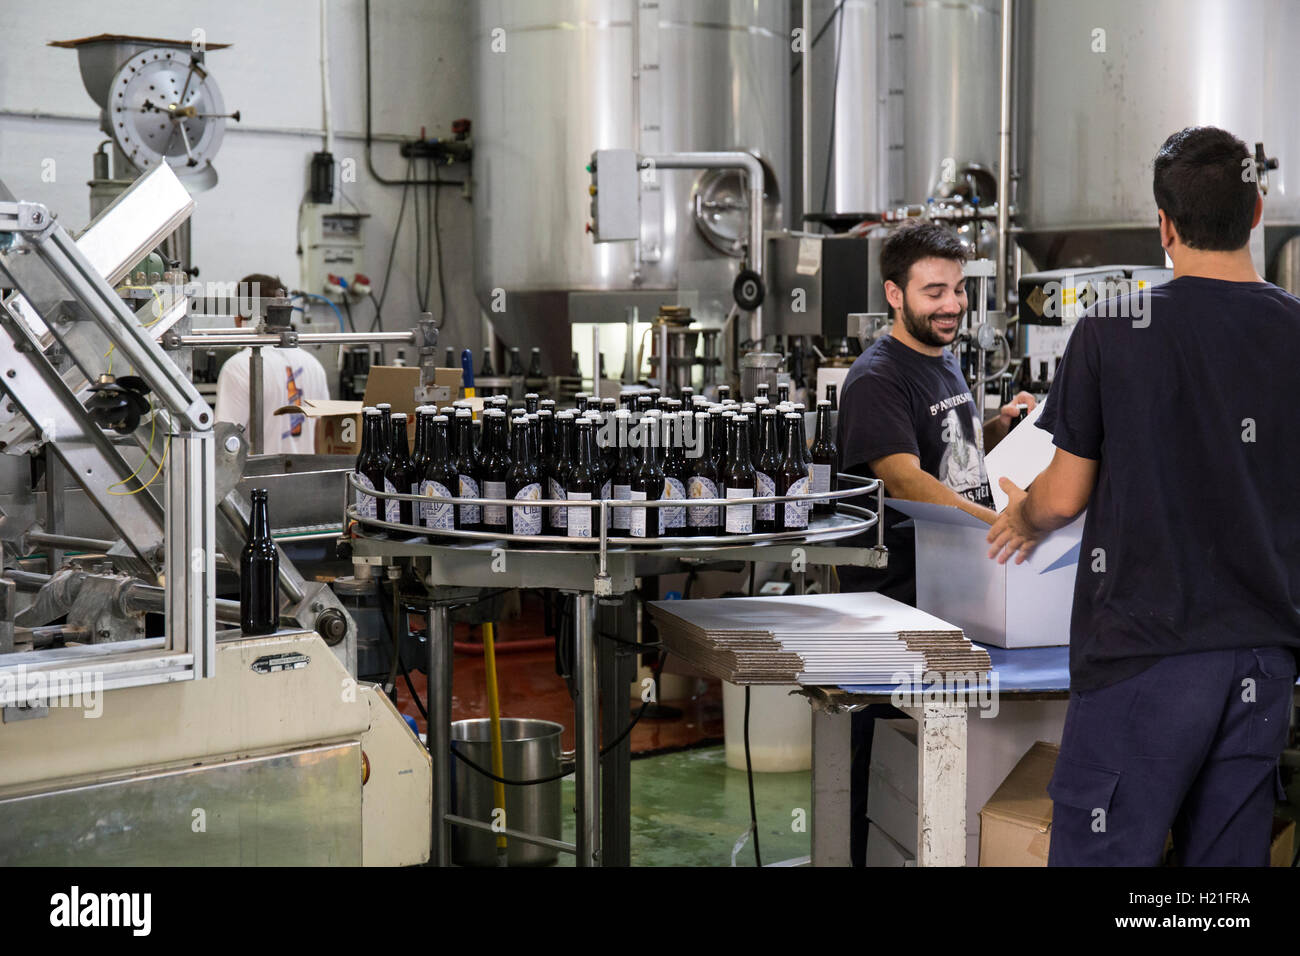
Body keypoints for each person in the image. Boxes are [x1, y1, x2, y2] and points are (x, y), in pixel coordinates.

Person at [987, 126, 1300, 866]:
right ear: (1257, 213)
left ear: (1163, 225)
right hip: (1262, 657)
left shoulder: (1115, 328)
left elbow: (1063, 497)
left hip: (1147, 655)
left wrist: (1020, 516)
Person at [835, 221, 1036, 866]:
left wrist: (1003, 426)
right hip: (897, 607)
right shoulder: (876, 379)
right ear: (895, 295)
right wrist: (1000, 524)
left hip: (949, 597)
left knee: (936, 775)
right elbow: (906, 479)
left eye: (957, 289)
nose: (951, 305)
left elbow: (956, 463)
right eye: (933, 292)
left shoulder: (942, 358)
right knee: (884, 767)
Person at [214, 274, 329, 454]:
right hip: (309, 478)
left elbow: (224, 445)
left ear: (239, 315)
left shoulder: (238, 367)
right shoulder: (314, 365)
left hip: (258, 479)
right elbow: (324, 434)